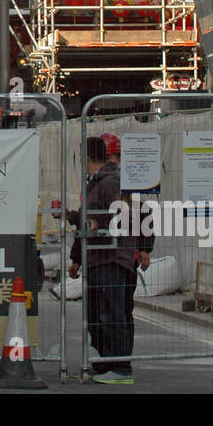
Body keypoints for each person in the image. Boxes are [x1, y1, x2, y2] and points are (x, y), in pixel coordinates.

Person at [69, 135, 153, 384]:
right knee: (97, 315)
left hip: (113, 258)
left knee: (112, 313)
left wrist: (144, 248)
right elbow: (89, 221)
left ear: (87, 157)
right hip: (97, 258)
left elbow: (131, 215)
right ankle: (106, 363)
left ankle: (120, 366)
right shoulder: (95, 184)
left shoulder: (111, 183)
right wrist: (77, 257)